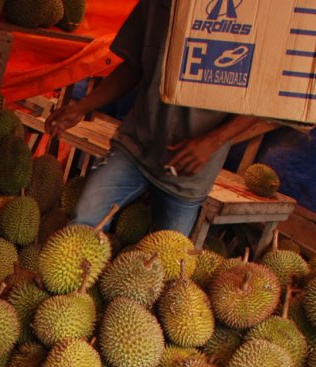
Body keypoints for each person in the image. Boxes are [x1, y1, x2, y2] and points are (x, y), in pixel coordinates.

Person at [45, 0, 261, 235]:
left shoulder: (255, 14)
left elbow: (264, 102)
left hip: (189, 168)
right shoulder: (156, 5)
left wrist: (213, 142)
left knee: (164, 260)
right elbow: (133, 67)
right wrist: (82, 107)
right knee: (84, 225)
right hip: (136, 145)